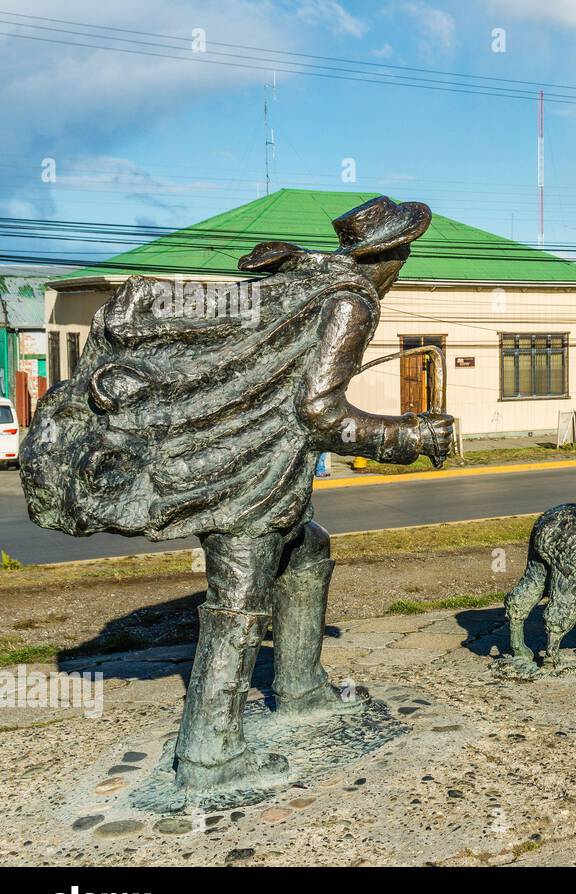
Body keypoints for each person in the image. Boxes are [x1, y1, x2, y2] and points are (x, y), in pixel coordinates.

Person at [21, 196, 454, 793]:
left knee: (307, 551)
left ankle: (299, 687)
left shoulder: (314, 278)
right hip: (247, 474)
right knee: (241, 595)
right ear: (392, 254)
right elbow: (320, 410)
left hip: (246, 464)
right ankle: (210, 750)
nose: (404, 261)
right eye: (404, 251)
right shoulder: (351, 302)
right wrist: (410, 435)